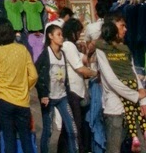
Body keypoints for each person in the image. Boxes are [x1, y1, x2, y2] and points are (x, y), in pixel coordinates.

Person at [94, 16, 146, 153]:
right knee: (114, 149)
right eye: (122, 25)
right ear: (112, 27)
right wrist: (136, 95)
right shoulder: (101, 50)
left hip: (134, 109)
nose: (126, 29)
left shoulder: (125, 49)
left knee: (142, 147)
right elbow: (111, 80)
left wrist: (143, 101)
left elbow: (133, 73)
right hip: (115, 109)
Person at [0, 17, 38, 153]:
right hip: (22, 101)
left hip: (4, 100)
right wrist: (25, 87)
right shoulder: (22, 49)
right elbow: (34, 75)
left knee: (9, 138)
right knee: (26, 138)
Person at [36, 23, 79, 153]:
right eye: (58, 35)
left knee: (73, 129)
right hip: (49, 98)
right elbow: (36, 74)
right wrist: (43, 94)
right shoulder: (45, 54)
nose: (61, 37)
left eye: (61, 35)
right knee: (48, 131)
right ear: (50, 36)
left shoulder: (63, 54)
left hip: (62, 97)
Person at [60, 18, 98, 153]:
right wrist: (96, 74)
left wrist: (88, 51)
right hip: (73, 90)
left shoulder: (70, 46)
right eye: (79, 32)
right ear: (73, 32)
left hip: (76, 90)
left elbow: (84, 59)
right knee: (76, 125)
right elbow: (80, 68)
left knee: (73, 124)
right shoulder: (68, 45)